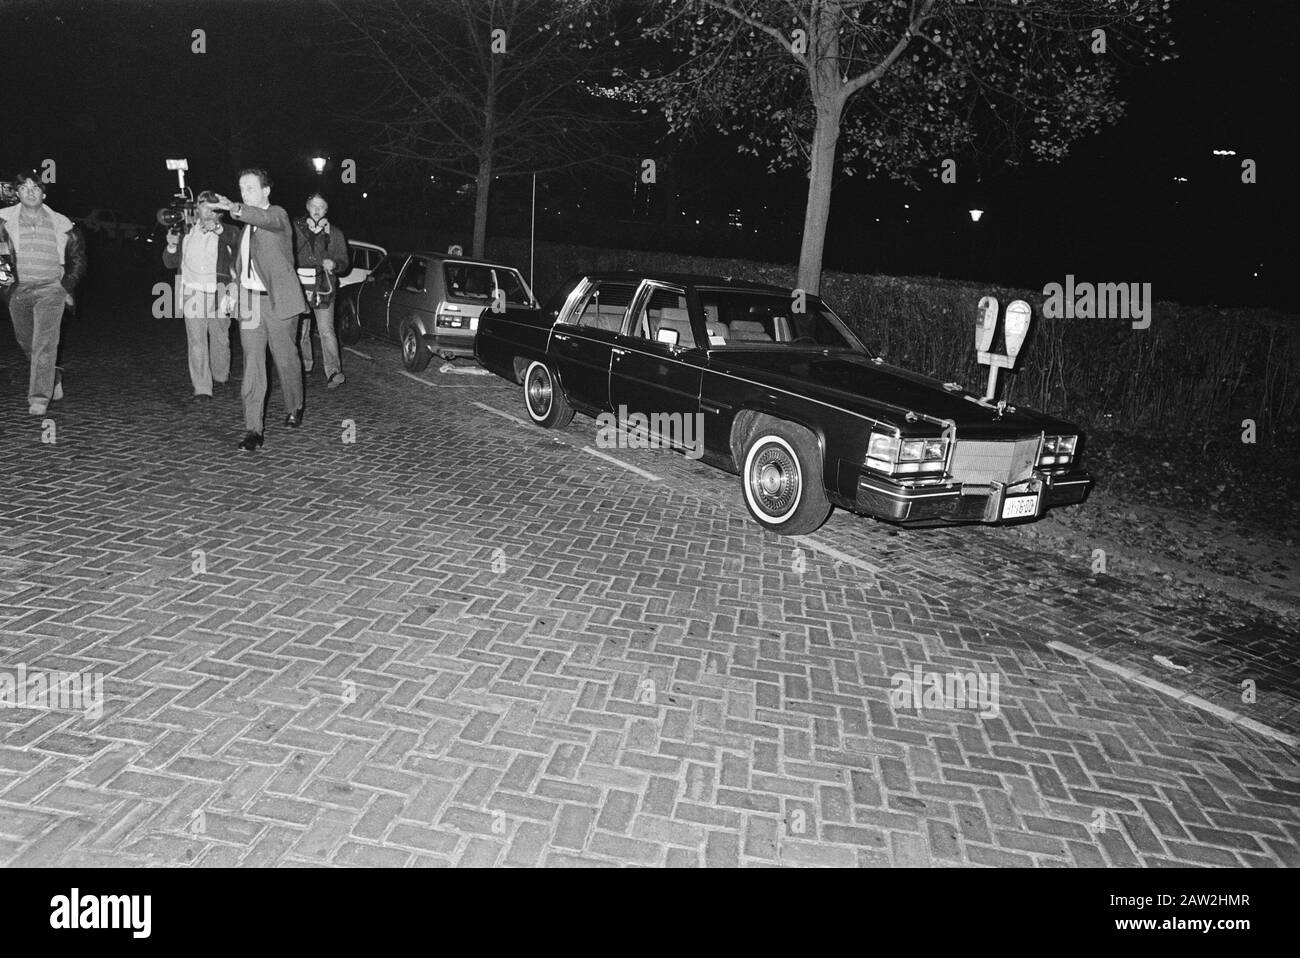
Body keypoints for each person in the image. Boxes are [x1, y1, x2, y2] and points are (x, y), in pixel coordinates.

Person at [209, 169, 308, 452]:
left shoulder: (277, 215)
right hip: (250, 302)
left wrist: (234, 208)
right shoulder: (246, 228)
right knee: (252, 363)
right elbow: (241, 258)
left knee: (285, 359)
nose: (245, 193)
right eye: (242, 189)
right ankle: (253, 429)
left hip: (278, 301)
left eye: (251, 188)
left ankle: (295, 405)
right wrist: (233, 293)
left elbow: (263, 219)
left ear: (266, 191)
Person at [0, 171, 86, 415]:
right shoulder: (3, 222)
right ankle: (53, 375)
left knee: (44, 344)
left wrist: (66, 286)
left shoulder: (62, 223)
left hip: (51, 288)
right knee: (26, 341)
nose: (30, 191)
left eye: (35, 188)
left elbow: (78, 259)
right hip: (19, 289)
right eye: (24, 187)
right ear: (16, 193)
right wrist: (6, 287)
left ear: (44, 193)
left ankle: (39, 398)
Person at [161, 191, 242, 401]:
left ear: (219, 211)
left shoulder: (228, 231)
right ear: (197, 208)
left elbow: (237, 241)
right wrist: (171, 245)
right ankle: (202, 388)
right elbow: (170, 262)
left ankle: (221, 376)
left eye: (213, 208)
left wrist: (216, 228)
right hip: (191, 290)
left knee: (220, 337)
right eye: (204, 206)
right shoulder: (186, 231)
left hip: (220, 290)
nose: (208, 211)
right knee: (196, 341)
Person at [293, 193, 349, 388]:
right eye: (314, 206)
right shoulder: (295, 228)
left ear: (326, 210)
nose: (317, 210)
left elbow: (344, 262)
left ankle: (333, 372)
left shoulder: (335, 233)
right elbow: (286, 252)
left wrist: (334, 264)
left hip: (324, 287)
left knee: (326, 330)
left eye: (321, 207)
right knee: (301, 331)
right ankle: (304, 365)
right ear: (308, 207)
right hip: (299, 286)